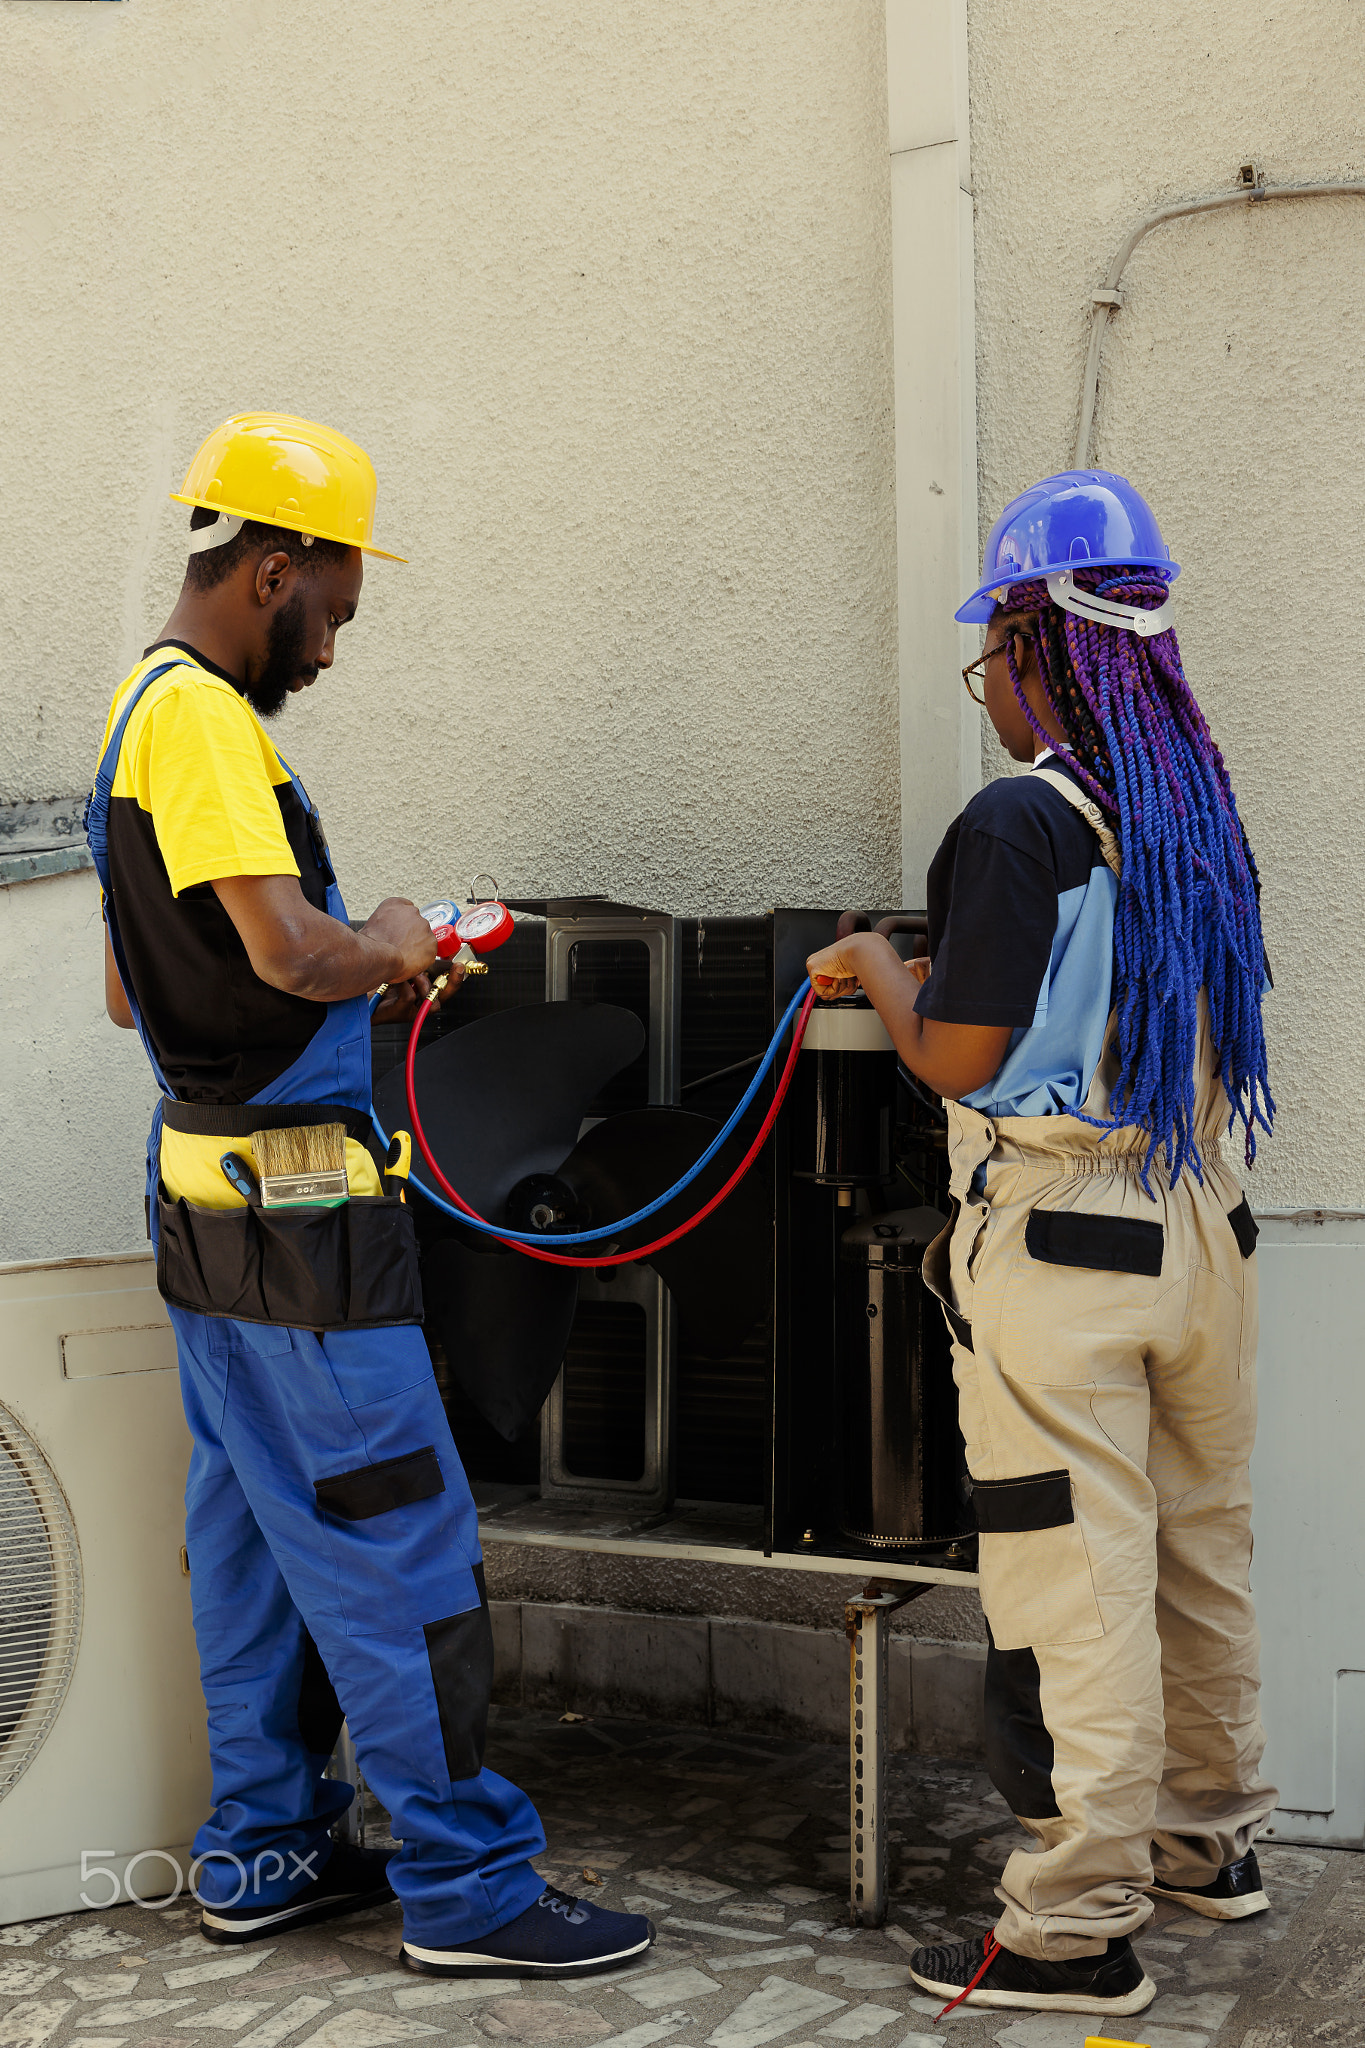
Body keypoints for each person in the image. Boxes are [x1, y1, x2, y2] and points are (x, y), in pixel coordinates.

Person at [89, 412, 653, 1981]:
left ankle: (264, 1849)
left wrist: (349, 990)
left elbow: (146, 999)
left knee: (259, 1539)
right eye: (333, 605)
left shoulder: (137, 713)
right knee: (397, 1531)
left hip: (207, 1204)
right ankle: (471, 1885)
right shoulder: (205, 722)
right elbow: (283, 951)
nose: (333, 646)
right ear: (272, 571)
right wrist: (397, 939)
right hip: (298, 1230)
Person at [806, 471, 1275, 2019]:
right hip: (1199, 1229)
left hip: (1065, 1251)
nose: (989, 694)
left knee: (1075, 1588)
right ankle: (1207, 1845)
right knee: (1197, 1558)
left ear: (1031, 641)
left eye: (988, 656)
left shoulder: (1021, 818)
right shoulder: (1187, 809)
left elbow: (954, 1057)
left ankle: (1073, 1925)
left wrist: (878, 962)